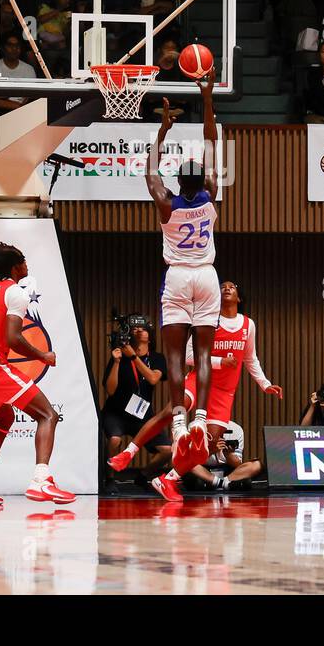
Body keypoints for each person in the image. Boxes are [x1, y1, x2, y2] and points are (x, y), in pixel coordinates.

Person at [110, 281, 283, 501]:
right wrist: (220, 361)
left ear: (239, 298)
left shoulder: (248, 325)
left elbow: (250, 358)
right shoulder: (209, 322)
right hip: (198, 381)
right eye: (222, 287)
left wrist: (265, 384)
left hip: (224, 392)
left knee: (208, 446)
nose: (227, 288)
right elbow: (189, 356)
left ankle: (168, 479)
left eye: (232, 286)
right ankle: (128, 453)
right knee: (171, 411)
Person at [0, 242, 75, 505]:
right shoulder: (15, 293)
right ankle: (41, 480)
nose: (27, 266)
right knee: (47, 414)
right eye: (24, 262)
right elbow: (13, 338)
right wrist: (42, 355)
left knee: (4, 417)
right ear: (16, 266)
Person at [145, 77, 220, 474]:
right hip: (206, 277)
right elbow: (211, 144)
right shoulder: (211, 194)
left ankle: (178, 418)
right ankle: (202, 417)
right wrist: (206, 98)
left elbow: (149, 172)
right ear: (202, 179)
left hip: (177, 277)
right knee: (204, 354)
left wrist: (161, 133)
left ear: (178, 183)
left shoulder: (165, 203)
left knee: (175, 355)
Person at [100, 321, 164, 458]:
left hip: (142, 415)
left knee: (167, 450)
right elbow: (110, 390)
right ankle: (109, 476)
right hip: (116, 413)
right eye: (135, 328)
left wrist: (133, 357)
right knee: (114, 440)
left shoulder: (157, 358)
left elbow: (153, 378)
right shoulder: (119, 356)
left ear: (150, 336)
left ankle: (144, 475)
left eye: (144, 328)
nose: (139, 330)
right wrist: (116, 362)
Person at [185, 421, 262, 492]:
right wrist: (211, 450)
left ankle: (222, 482)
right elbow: (193, 459)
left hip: (228, 471)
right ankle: (223, 484)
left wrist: (228, 454)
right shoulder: (196, 427)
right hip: (203, 469)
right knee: (186, 462)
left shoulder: (236, 429)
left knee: (256, 464)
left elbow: (238, 465)